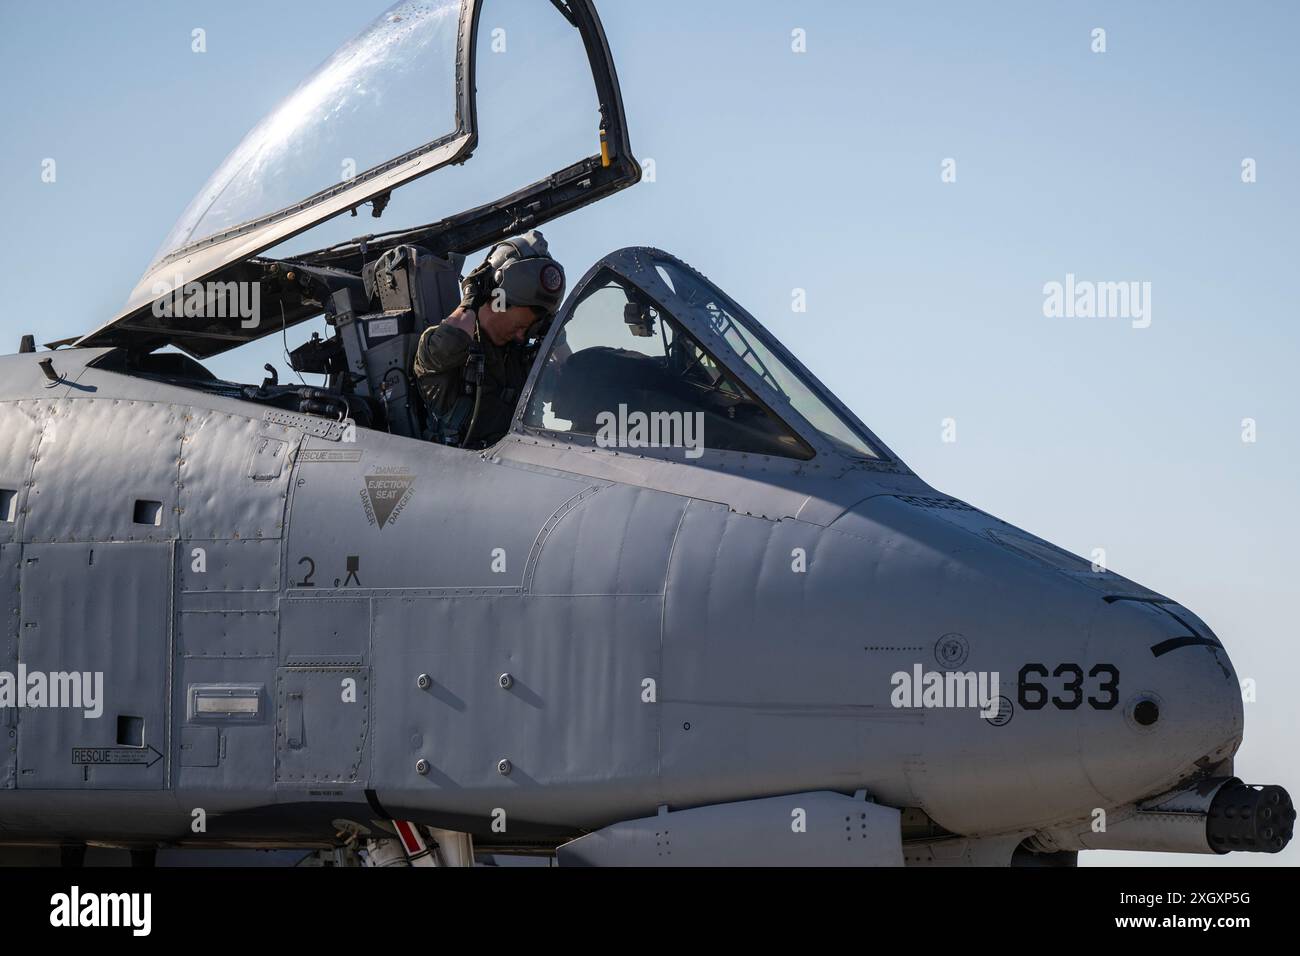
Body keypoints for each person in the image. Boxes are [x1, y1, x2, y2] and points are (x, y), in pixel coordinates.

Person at [412, 230, 565, 448]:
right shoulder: (441, 346)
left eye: (529, 330)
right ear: (496, 300)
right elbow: (444, 348)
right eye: (520, 327)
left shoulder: (517, 357)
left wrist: (555, 335)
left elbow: (571, 380)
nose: (522, 337)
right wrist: (472, 298)